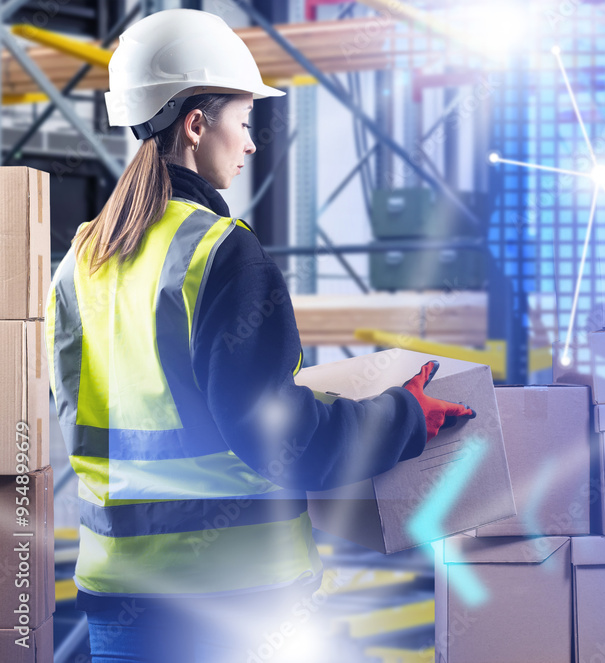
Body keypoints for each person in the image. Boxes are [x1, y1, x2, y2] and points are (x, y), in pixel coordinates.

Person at [44, 9, 474, 663]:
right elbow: (285, 444)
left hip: (119, 596)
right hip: (237, 601)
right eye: (242, 123)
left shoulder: (79, 262)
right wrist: (405, 415)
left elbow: (86, 421)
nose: (249, 144)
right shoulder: (219, 253)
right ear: (195, 125)